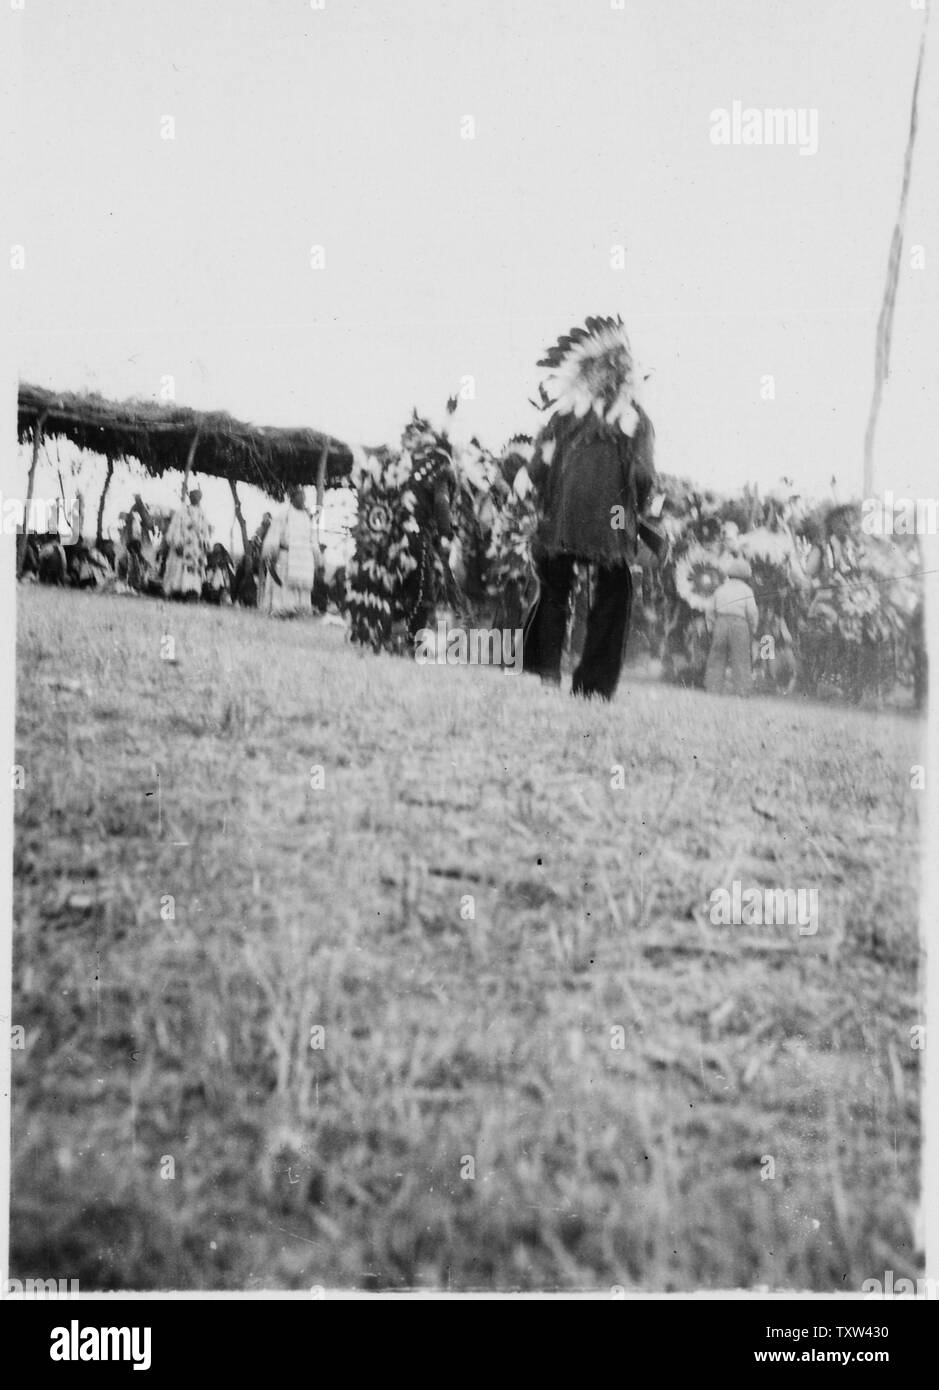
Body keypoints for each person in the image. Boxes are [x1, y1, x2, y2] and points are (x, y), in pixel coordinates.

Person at [522, 317, 656, 700]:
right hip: (610, 523)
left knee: (553, 589)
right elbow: (644, 478)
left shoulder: (562, 418)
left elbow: (537, 471)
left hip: (561, 521)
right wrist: (633, 514)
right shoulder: (634, 420)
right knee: (613, 592)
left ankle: (547, 671)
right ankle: (592, 685)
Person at [704, 556, 759, 696]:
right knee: (741, 658)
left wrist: (711, 626)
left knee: (717, 656)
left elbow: (709, 610)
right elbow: (752, 612)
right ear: (747, 575)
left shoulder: (720, 589)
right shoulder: (747, 590)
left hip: (721, 622)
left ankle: (713, 689)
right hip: (739, 624)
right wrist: (753, 628)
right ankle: (742, 691)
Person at [265, 487, 320, 617]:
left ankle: (298, 610)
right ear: (292, 498)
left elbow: (313, 538)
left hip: (303, 559)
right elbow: (274, 537)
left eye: (304, 497)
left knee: (300, 585)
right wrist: (273, 555)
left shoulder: (308, 517)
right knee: (283, 582)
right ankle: (280, 609)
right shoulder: (284, 515)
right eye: (300, 496)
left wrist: (316, 556)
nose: (303, 499)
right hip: (286, 555)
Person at [162, 488, 210, 601]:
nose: (195, 498)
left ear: (200, 498)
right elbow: (175, 528)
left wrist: (205, 544)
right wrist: (177, 543)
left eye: (198, 496)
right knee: (178, 568)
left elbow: (205, 532)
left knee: (193, 572)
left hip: (196, 549)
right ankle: (174, 592)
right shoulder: (182, 511)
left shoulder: (202, 515)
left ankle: (191, 593)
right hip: (182, 545)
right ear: (189, 497)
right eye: (193, 496)